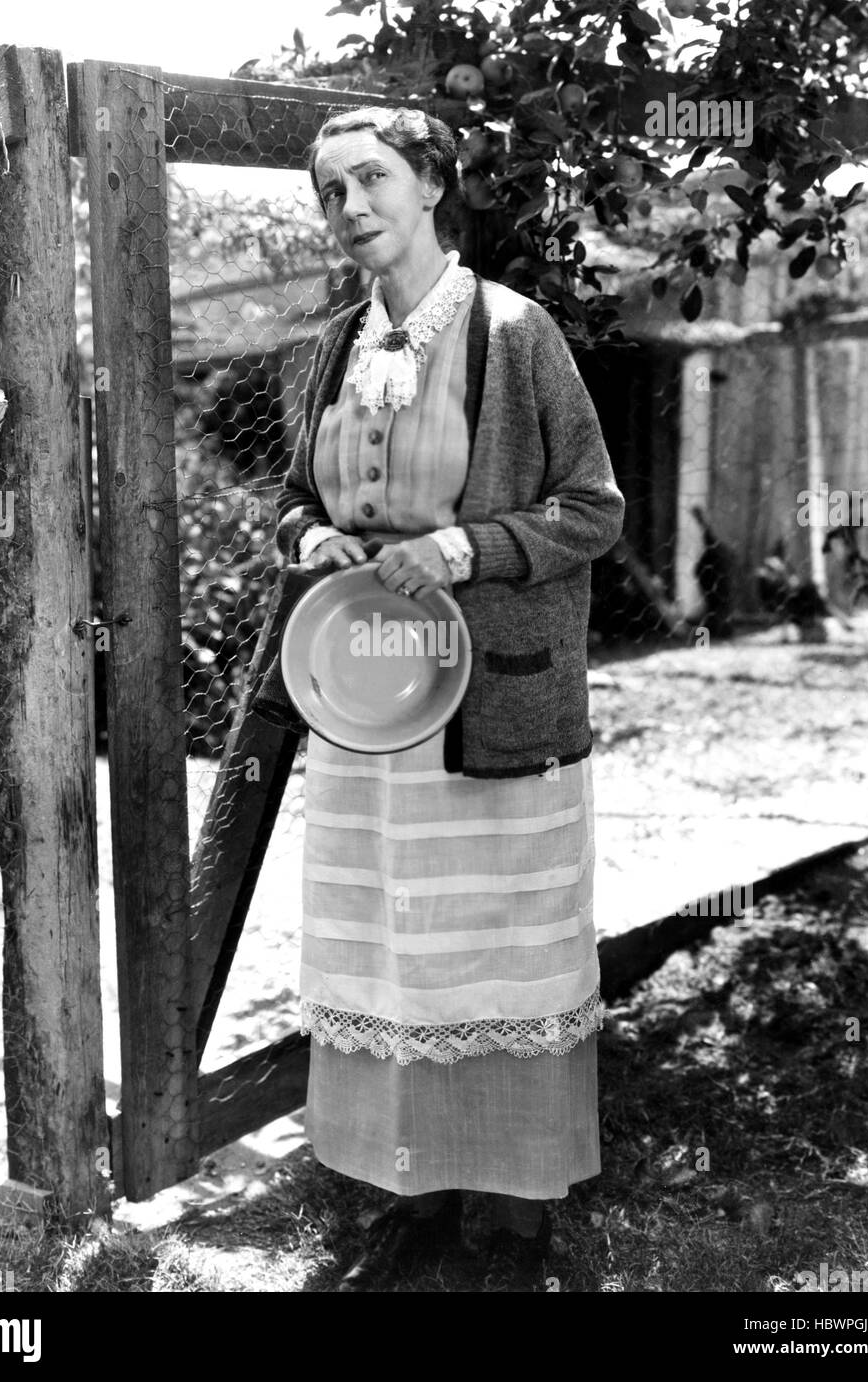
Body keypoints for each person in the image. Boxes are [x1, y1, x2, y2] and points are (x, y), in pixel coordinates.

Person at [255, 105, 625, 1291]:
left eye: (371, 180)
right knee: (394, 948)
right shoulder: (328, 350)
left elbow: (591, 508)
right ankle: (409, 1191)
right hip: (366, 699)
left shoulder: (513, 333)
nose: (349, 207)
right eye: (329, 191)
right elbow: (287, 502)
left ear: (430, 187)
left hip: (490, 707)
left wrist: (463, 551)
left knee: (499, 942)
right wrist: (311, 537)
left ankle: (513, 1206)